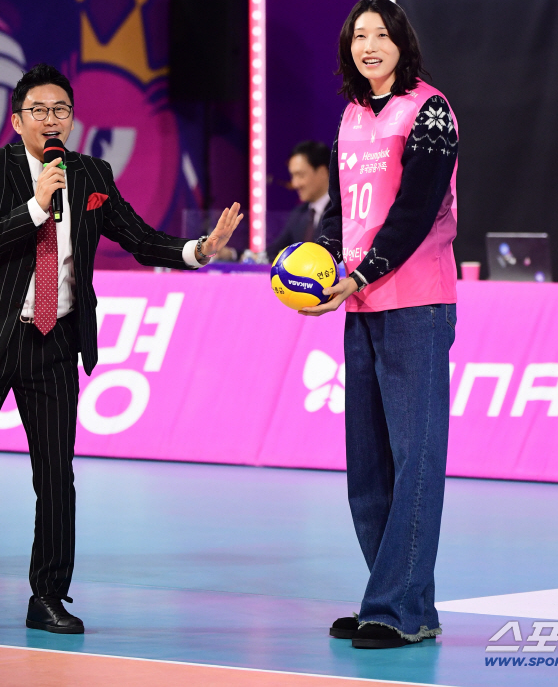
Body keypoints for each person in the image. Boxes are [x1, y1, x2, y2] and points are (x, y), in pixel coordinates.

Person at [1, 63, 243, 635]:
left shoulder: (89, 175)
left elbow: (138, 238)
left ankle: (49, 598)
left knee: (57, 476)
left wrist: (197, 250)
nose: (51, 119)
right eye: (39, 110)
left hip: (55, 338)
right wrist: (36, 204)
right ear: (16, 121)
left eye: (61, 109)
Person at [305, 0, 459, 649]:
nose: (369, 45)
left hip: (417, 302)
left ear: (401, 42)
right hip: (362, 306)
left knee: (415, 462)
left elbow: (417, 207)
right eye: (358, 36)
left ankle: (395, 607)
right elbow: (341, 214)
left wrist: (362, 273)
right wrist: (319, 270)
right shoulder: (348, 117)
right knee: (368, 471)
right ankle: (397, 603)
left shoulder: (429, 111)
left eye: (380, 35)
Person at [266, 141, 331, 260]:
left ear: (322, 172)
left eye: (300, 175)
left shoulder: (343, 210)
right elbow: (273, 252)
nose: (295, 184)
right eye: (292, 176)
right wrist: (233, 254)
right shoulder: (298, 213)